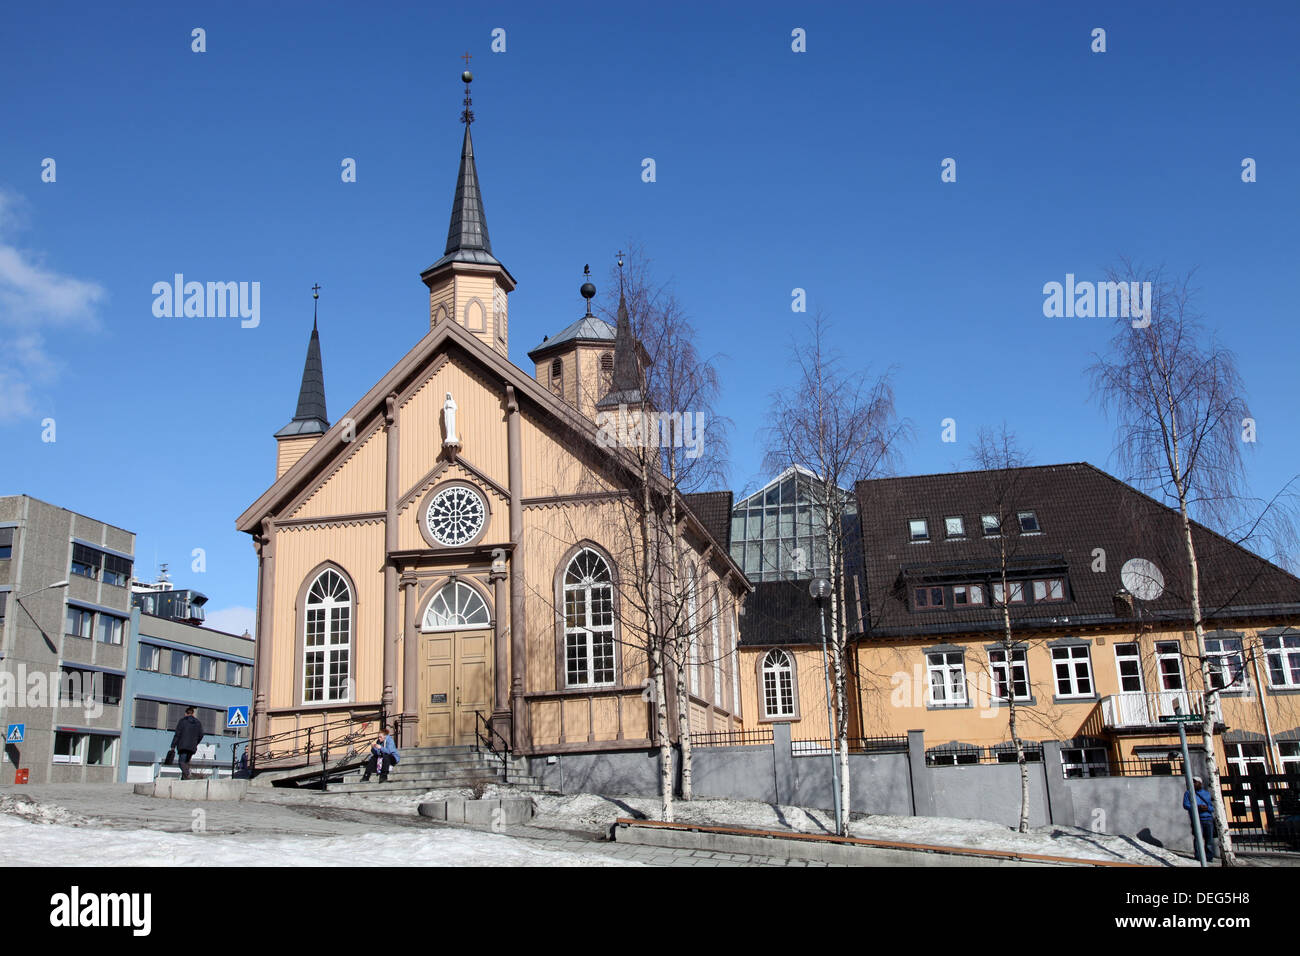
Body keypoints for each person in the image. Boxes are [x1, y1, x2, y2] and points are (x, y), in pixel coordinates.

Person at [1183, 776, 1216, 862]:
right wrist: (1197, 807)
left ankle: (1209, 857)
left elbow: (1212, 807)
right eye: (1192, 782)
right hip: (1196, 819)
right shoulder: (1188, 793)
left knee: (1209, 839)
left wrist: (1207, 808)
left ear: (1200, 783)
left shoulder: (1206, 794)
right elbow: (1186, 805)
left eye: (1195, 782)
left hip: (1208, 818)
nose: (1193, 784)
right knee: (1198, 838)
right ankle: (1198, 856)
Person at [170, 706, 205, 780]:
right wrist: (195, 742)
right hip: (192, 747)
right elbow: (201, 735)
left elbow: (177, 734)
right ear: (193, 713)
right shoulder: (198, 723)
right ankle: (184, 779)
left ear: (186, 713)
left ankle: (189, 775)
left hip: (183, 746)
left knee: (181, 762)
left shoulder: (182, 721)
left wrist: (173, 746)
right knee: (186, 763)